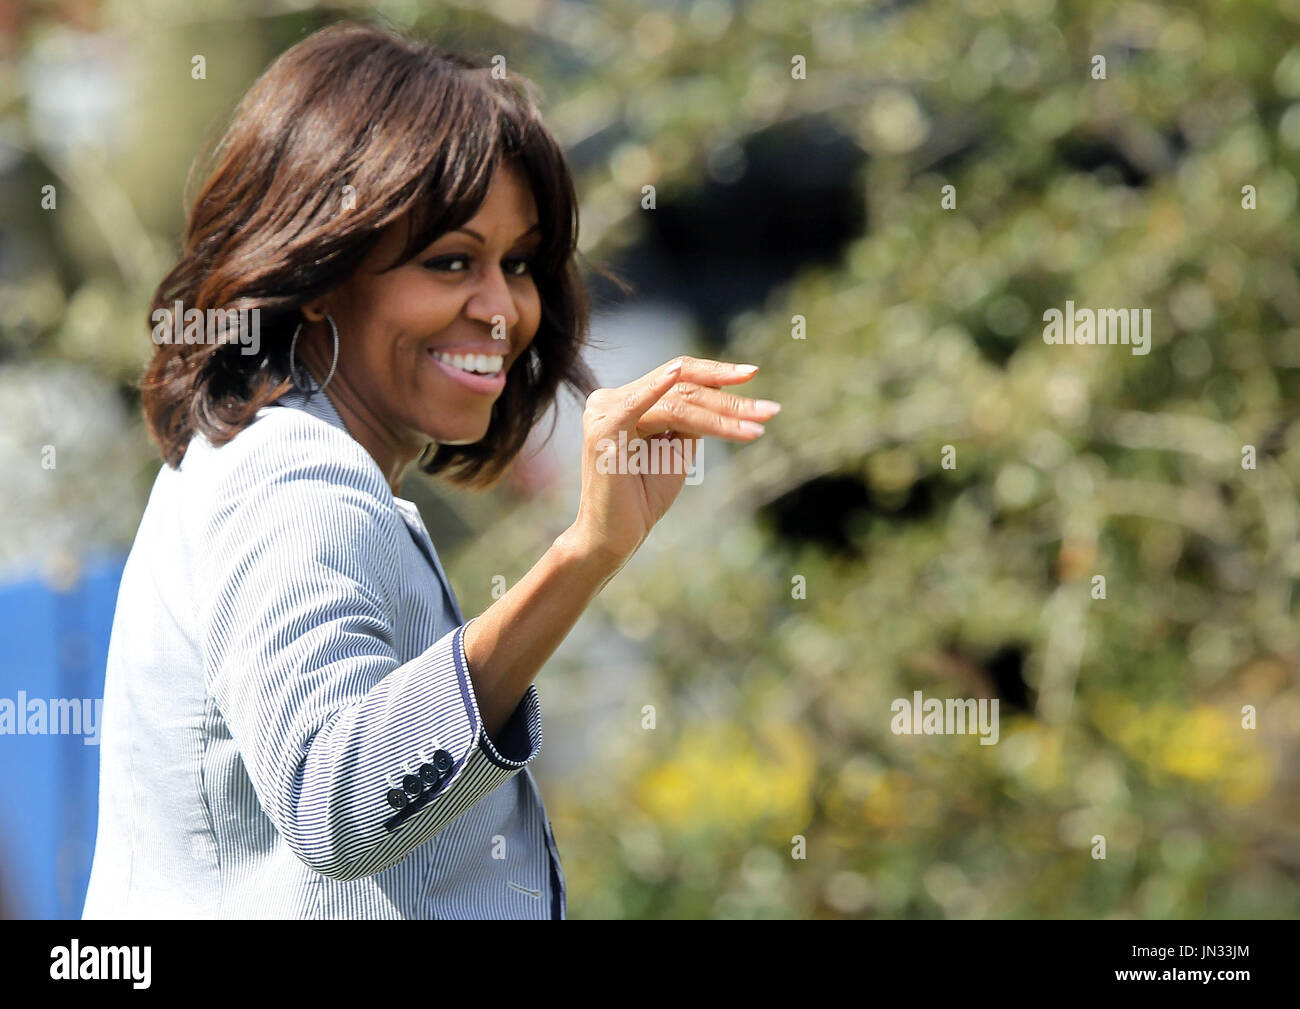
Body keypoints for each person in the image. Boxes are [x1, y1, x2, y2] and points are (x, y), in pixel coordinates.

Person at [81, 22, 780, 919]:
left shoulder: (287, 464)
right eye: (451, 261)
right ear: (321, 272)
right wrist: (581, 556)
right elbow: (339, 801)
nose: (502, 308)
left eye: (518, 263)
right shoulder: (290, 481)